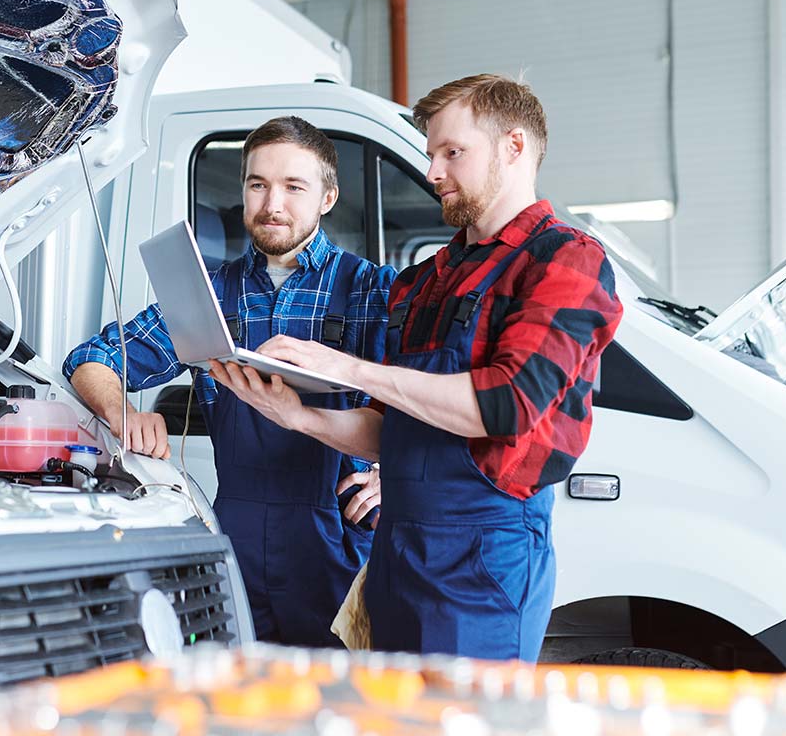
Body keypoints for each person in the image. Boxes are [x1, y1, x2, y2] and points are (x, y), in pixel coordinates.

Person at [209, 76, 623, 661]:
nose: (433, 172)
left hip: (483, 557)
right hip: (396, 552)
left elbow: (505, 405)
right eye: (431, 154)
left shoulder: (562, 260)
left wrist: (350, 370)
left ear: (514, 147)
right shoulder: (428, 278)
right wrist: (297, 416)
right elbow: (391, 430)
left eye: (452, 153)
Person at [64, 116, 395, 647]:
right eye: (258, 185)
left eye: (294, 187)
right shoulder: (209, 294)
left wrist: (400, 470)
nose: (272, 205)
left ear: (327, 197)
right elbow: (92, 359)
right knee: (233, 692)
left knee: (335, 699)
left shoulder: (372, 292)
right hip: (234, 534)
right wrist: (122, 412)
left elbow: (436, 398)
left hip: (336, 538)